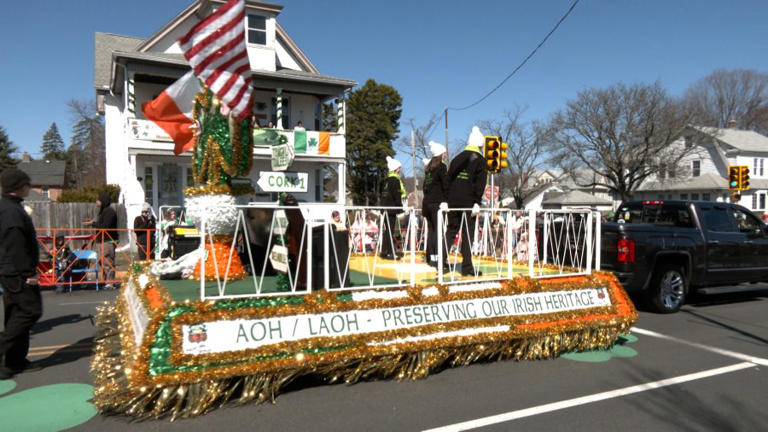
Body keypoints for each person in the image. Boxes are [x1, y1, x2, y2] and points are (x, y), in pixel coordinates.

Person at [0, 168, 44, 379]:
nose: (29, 187)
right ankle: (5, 351)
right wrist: (28, 273)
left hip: (10, 271)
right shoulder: (11, 212)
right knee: (30, 311)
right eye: (26, 184)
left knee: (15, 313)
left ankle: (14, 361)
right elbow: (15, 245)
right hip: (17, 273)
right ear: (19, 187)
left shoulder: (10, 207)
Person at [446, 126, 488, 276]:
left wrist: (446, 198)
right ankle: (467, 268)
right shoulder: (481, 160)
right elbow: (480, 183)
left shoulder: (457, 158)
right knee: (468, 234)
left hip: (452, 200)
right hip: (469, 202)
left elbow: (449, 178)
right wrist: (477, 202)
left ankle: (441, 262)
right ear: (479, 144)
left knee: (451, 230)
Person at [422, 141, 450, 269]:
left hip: (427, 203)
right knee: (438, 231)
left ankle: (432, 257)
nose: (445, 155)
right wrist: (445, 200)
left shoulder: (428, 169)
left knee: (432, 231)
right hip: (436, 203)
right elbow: (445, 185)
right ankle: (439, 258)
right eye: (444, 153)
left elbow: (424, 187)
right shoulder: (441, 167)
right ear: (440, 154)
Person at [83, 192, 119, 289]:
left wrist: (93, 223)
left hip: (107, 240)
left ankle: (110, 282)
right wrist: (93, 222)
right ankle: (105, 280)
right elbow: (100, 223)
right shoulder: (103, 211)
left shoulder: (109, 212)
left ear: (103, 201)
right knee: (101, 261)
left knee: (108, 261)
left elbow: (105, 226)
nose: (96, 202)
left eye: (98, 200)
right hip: (100, 240)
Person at [379, 156, 406, 260]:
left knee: (387, 230)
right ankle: (390, 252)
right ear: (395, 169)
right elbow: (397, 195)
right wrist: (400, 209)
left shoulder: (386, 180)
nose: (400, 170)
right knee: (390, 231)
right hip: (391, 208)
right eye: (399, 168)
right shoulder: (395, 180)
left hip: (384, 208)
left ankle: (384, 252)